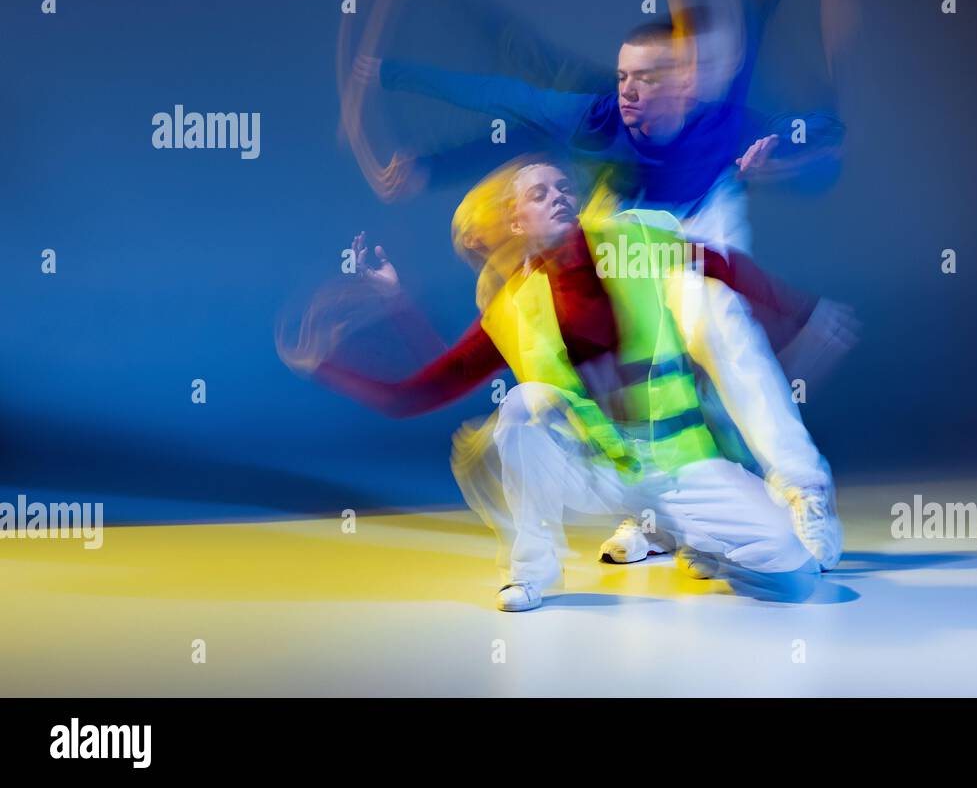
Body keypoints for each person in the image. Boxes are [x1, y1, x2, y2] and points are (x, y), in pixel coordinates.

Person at [299, 161, 829, 610]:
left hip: (678, 464)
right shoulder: (514, 306)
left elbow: (720, 262)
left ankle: (692, 536)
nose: (559, 196)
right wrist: (327, 363)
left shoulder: (632, 242)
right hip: (597, 469)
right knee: (523, 405)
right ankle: (534, 569)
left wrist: (797, 309)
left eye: (564, 188)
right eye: (539, 192)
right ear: (516, 218)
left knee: (793, 574)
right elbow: (418, 393)